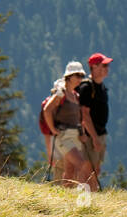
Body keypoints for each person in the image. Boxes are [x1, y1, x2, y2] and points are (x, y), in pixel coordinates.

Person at [42, 61, 90, 187]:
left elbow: (78, 118)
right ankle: (84, 200)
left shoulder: (75, 95)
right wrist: (53, 129)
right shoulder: (61, 93)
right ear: (69, 77)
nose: (80, 79)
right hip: (64, 137)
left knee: (70, 171)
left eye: (81, 76)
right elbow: (47, 109)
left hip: (76, 136)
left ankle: (65, 198)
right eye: (77, 76)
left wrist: (83, 133)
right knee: (81, 165)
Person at [78, 52, 111, 190]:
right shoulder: (86, 87)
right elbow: (84, 115)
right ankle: (85, 199)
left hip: (101, 133)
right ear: (94, 67)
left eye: (107, 65)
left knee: (96, 169)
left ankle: (92, 196)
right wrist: (95, 138)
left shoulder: (101, 87)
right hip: (91, 136)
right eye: (104, 65)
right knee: (87, 169)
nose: (107, 68)